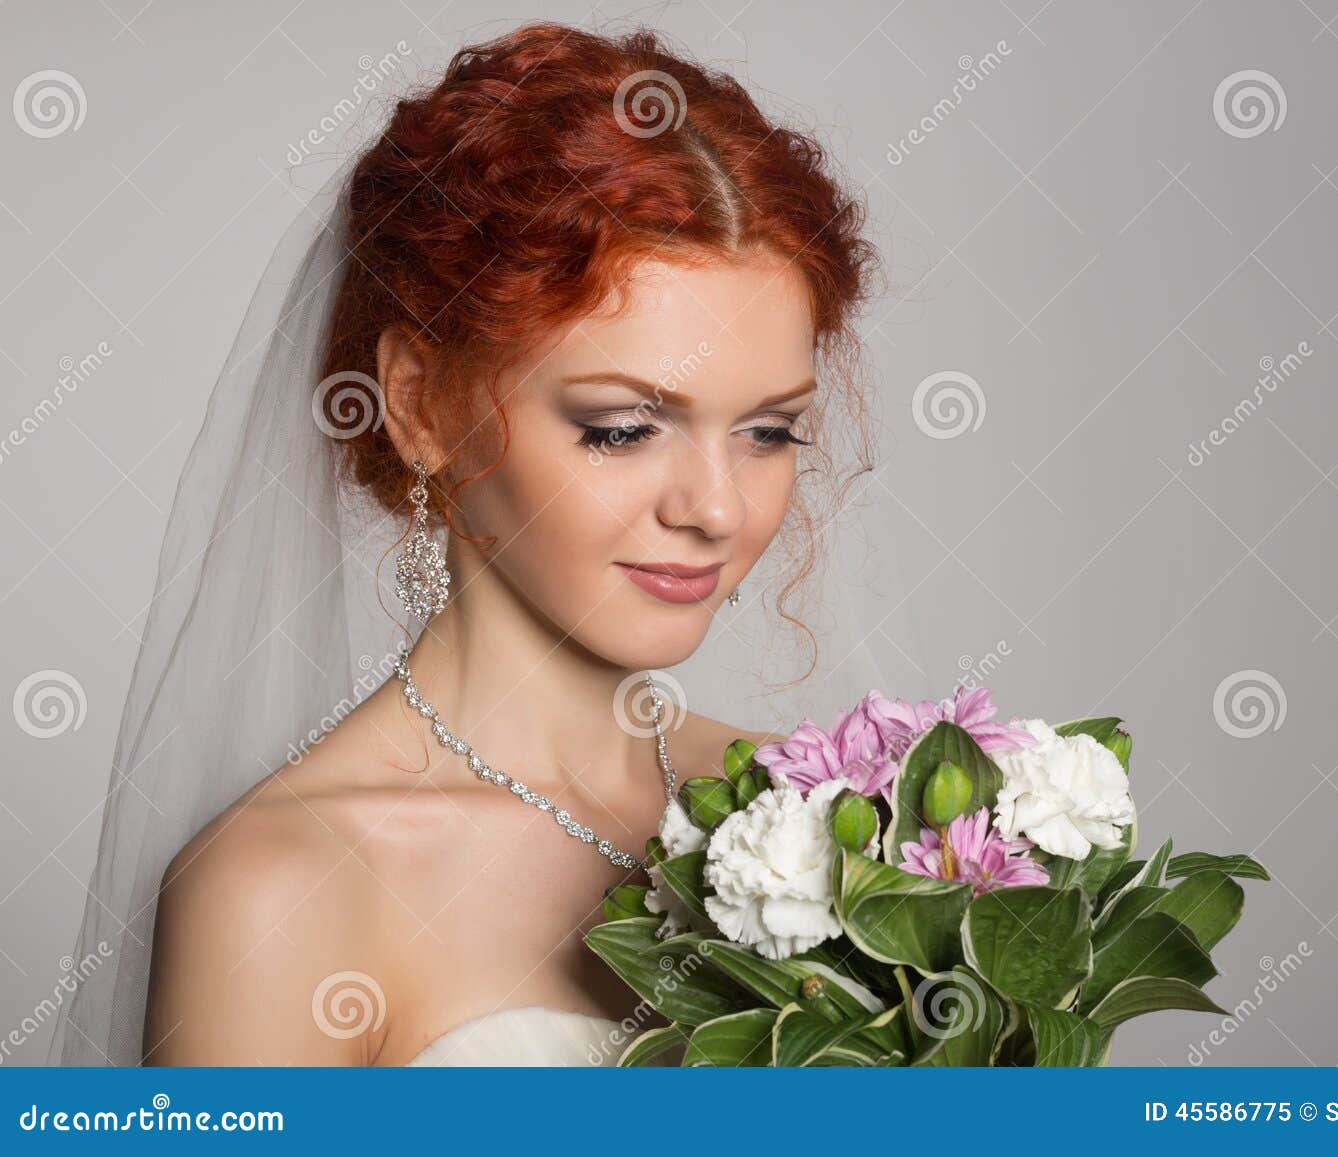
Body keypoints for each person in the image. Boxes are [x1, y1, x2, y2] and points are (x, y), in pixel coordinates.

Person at [51, 21, 892, 1067]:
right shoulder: (279, 885)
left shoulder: (837, 820)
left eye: (767, 432)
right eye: (622, 428)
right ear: (417, 405)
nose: (716, 508)